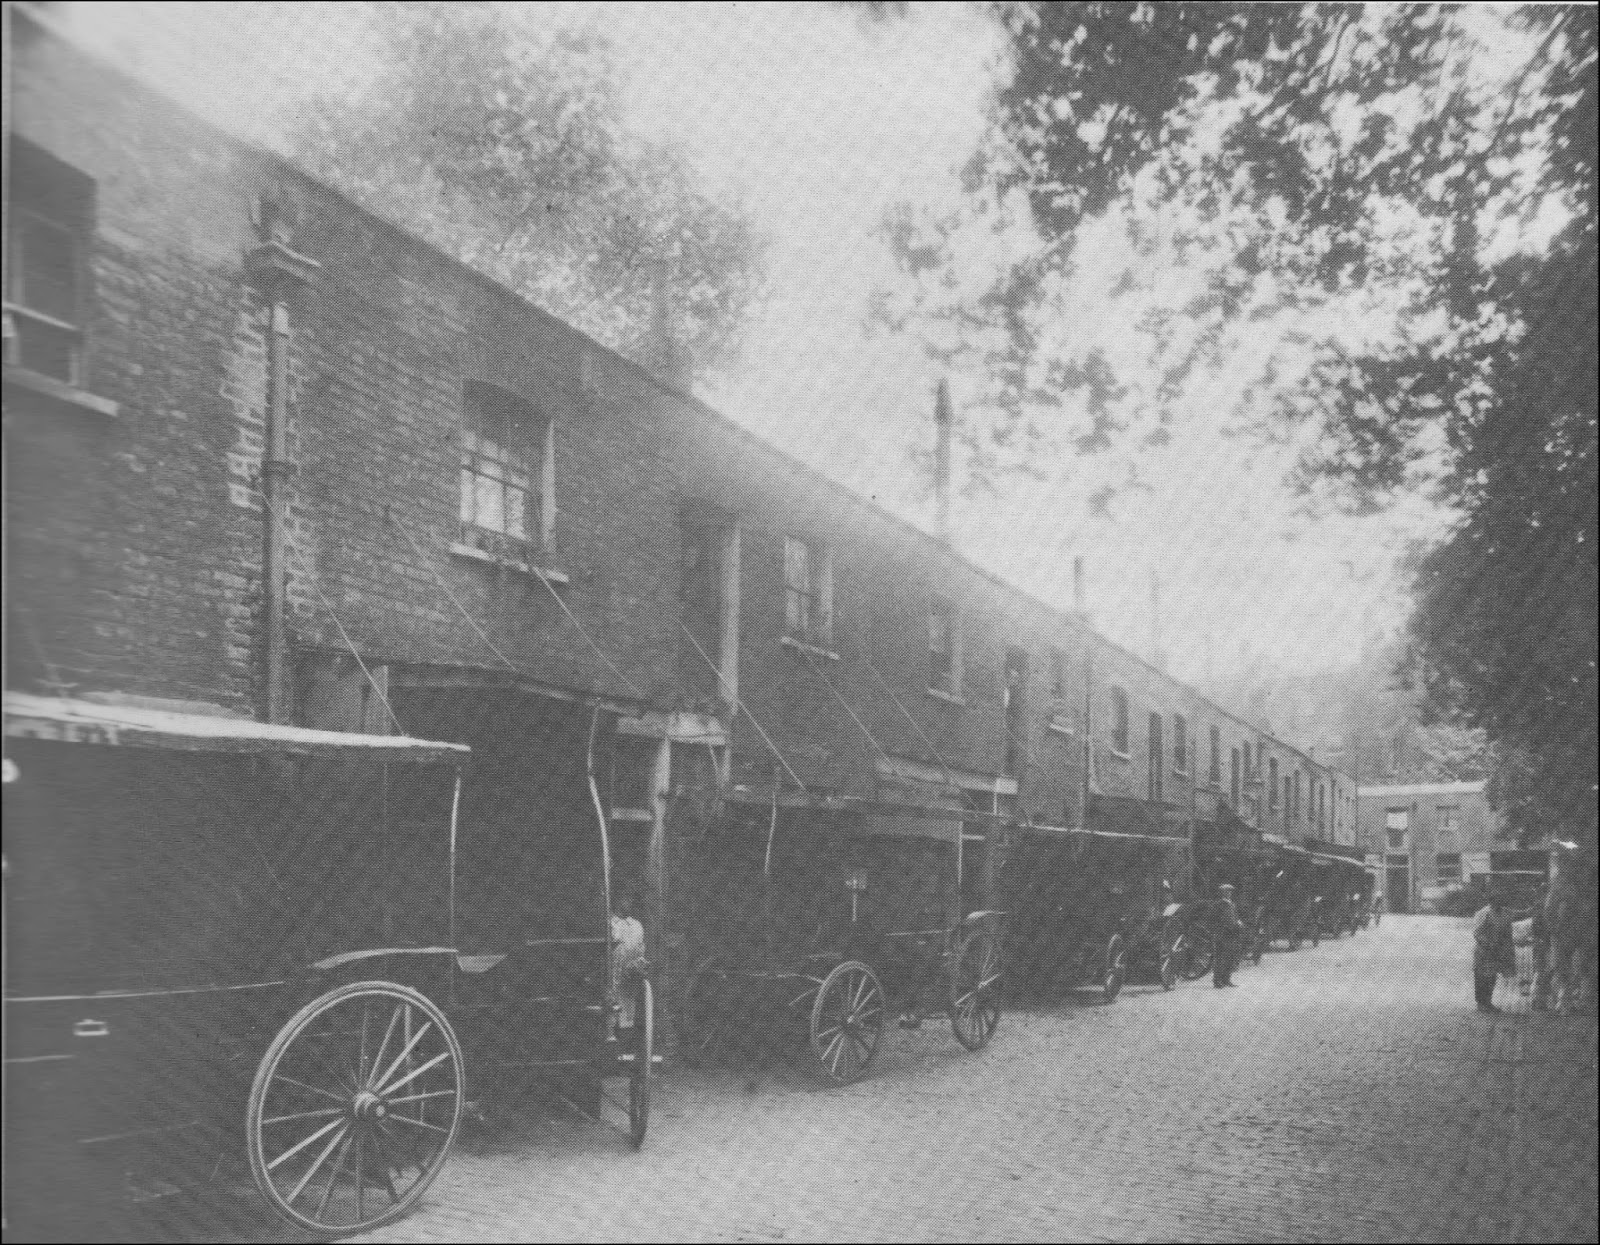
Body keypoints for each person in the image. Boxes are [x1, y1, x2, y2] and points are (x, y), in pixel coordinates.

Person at [609, 890, 647, 1038]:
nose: (630, 902)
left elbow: (640, 951)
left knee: (627, 1020)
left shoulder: (637, 926)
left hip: (629, 982)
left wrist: (639, 964)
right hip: (612, 979)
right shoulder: (609, 924)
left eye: (631, 898)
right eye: (626, 897)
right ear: (618, 900)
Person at [1472, 895, 1519, 1013]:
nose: (1500, 903)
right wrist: (1487, 944)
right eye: (1497, 901)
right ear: (1491, 901)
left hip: (1496, 951)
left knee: (1491, 977)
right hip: (1484, 951)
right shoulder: (1484, 913)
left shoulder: (1504, 912)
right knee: (1482, 977)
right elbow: (1477, 932)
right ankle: (1481, 1003)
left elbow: (1518, 914)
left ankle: (1487, 1002)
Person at [1212, 883, 1245, 988]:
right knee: (1221, 958)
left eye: (1230, 891)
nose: (1229, 893)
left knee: (1230, 957)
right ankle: (1217, 981)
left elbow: (1235, 917)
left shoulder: (1232, 904)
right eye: (1226, 891)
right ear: (1222, 893)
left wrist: (1238, 922)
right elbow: (1217, 919)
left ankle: (1227, 979)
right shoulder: (1218, 905)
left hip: (1232, 934)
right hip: (1222, 934)